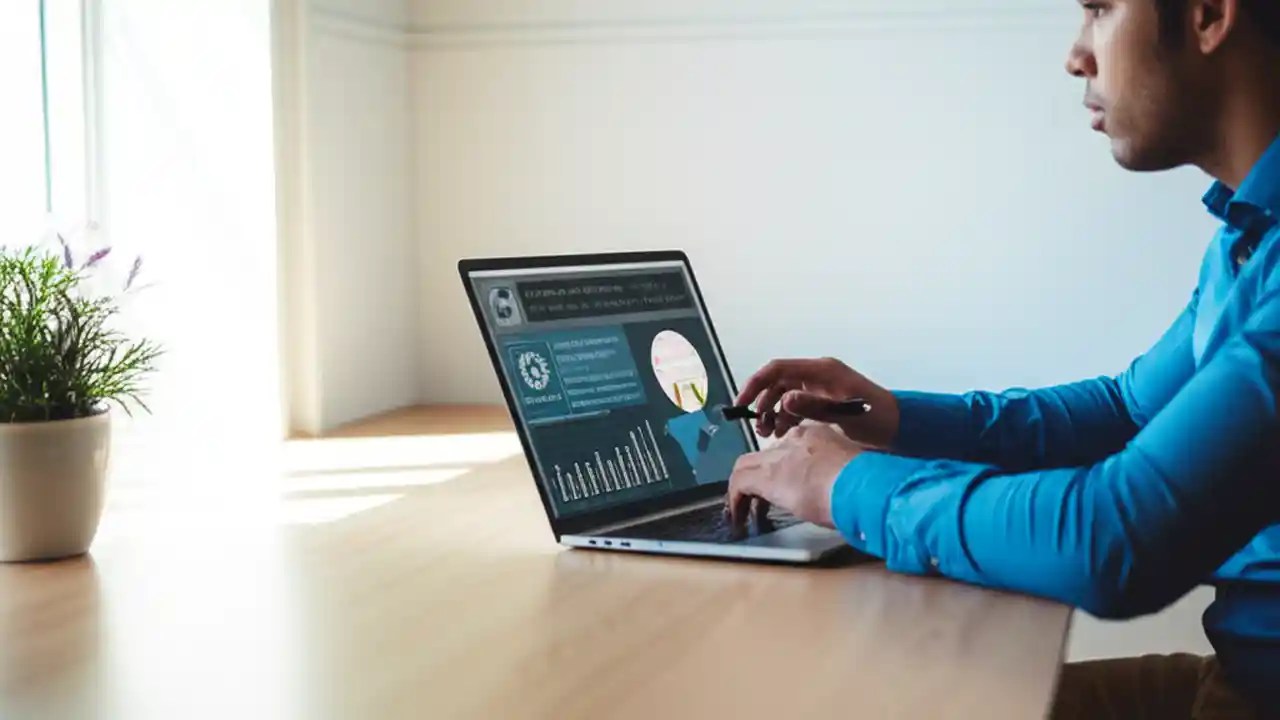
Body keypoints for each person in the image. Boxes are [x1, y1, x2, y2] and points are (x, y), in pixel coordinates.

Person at [725, 0, 1280, 716]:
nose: (1077, 54)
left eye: (1101, 10)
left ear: (1207, 15)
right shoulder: (1252, 237)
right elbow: (1128, 409)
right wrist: (891, 418)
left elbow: (1113, 539)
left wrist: (845, 486)